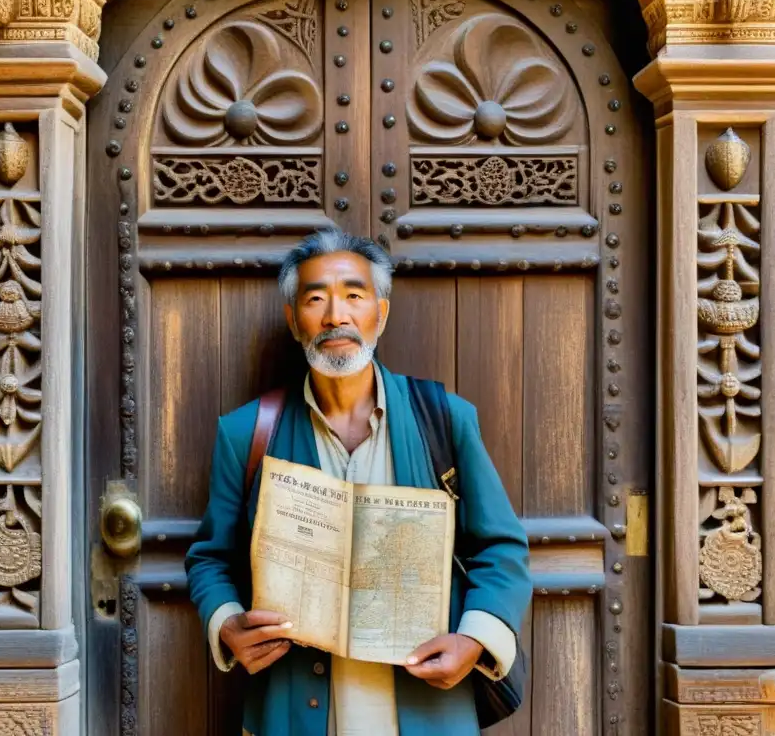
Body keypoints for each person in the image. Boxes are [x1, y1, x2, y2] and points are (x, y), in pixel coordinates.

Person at [184, 230, 531, 736]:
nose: (335, 316)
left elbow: (501, 548)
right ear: (293, 320)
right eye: (316, 298)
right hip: (293, 706)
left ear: (380, 314)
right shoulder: (247, 432)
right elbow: (210, 557)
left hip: (423, 706)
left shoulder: (444, 419)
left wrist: (474, 641)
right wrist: (227, 623)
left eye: (353, 295)